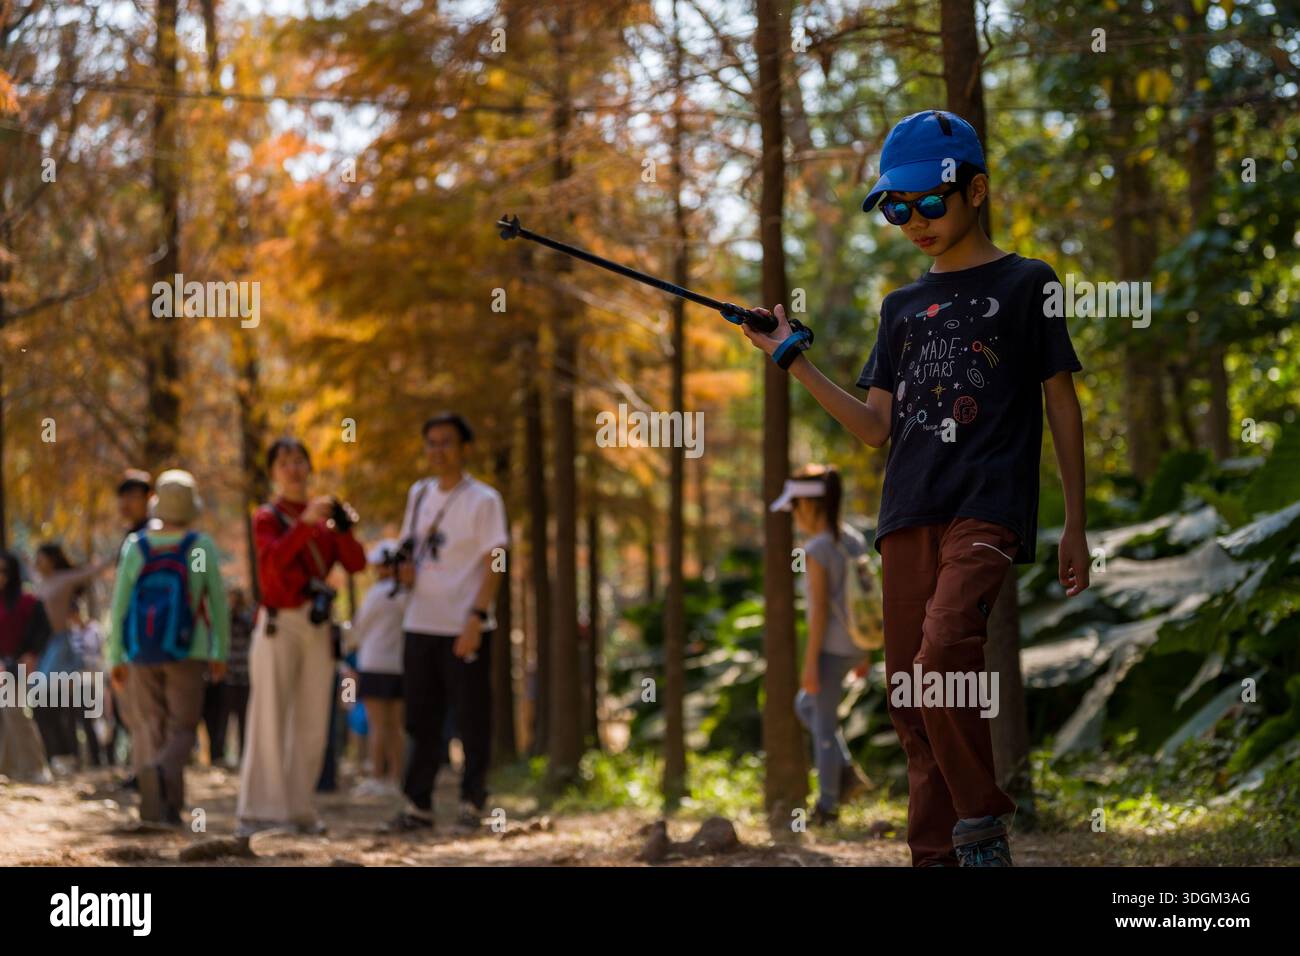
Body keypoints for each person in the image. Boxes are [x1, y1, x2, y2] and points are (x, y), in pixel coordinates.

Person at [741, 110, 1090, 867]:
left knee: (941, 660)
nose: (914, 222)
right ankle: (936, 854)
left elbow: (1061, 400)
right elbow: (874, 428)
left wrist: (1075, 523)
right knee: (910, 700)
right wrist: (793, 361)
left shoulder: (1030, 283)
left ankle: (982, 826)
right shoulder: (899, 307)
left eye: (930, 202)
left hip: (986, 509)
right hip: (905, 514)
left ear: (977, 191)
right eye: (897, 208)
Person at [236, 437, 366, 837]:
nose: (293, 470)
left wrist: (342, 528)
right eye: (284, 463)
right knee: (270, 715)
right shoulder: (266, 517)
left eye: (299, 462)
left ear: (309, 468)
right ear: (274, 472)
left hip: (317, 625)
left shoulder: (324, 521)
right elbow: (271, 568)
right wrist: (304, 524)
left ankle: (299, 808)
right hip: (278, 623)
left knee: (312, 721)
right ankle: (261, 810)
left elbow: (356, 562)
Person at [387, 413, 508, 832]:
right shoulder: (418, 494)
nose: (438, 450)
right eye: (431, 443)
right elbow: (409, 547)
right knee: (421, 717)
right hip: (420, 621)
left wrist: (477, 616)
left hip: (465, 624)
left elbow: (497, 559)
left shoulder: (484, 500)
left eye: (446, 442)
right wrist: (401, 572)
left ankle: (473, 801)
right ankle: (417, 804)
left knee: (471, 717)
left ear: (464, 448)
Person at [107, 469, 229, 825]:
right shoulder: (199, 547)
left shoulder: (136, 546)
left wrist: (116, 655)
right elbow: (217, 604)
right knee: (182, 728)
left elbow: (119, 605)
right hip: (188, 650)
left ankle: (162, 805)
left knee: (151, 725)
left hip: (142, 650)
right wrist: (219, 653)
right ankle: (164, 781)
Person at [771, 465, 873, 826]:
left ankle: (827, 807)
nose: (794, 515)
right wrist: (867, 650)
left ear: (811, 506)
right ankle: (845, 774)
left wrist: (810, 663)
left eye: (796, 507)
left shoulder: (816, 550)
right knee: (808, 709)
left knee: (824, 727)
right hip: (855, 644)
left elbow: (818, 615)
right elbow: (866, 598)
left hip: (830, 650)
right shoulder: (853, 539)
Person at [32, 543, 109, 771]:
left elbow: (91, 572)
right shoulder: (40, 582)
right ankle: (59, 755)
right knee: (44, 701)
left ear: (52, 559)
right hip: (44, 647)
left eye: (41, 558)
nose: (37, 562)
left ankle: (66, 755)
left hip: (61, 646)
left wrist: (115, 554)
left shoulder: (64, 579)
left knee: (50, 699)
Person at [349, 540, 409, 798]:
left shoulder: (376, 595)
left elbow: (358, 628)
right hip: (399, 664)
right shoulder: (408, 594)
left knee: (377, 725)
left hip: (374, 663)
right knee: (396, 725)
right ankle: (397, 776)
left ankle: (377, 777)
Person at [110, 469, 153, 772]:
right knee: (136, 711)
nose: (127, 503)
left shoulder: (145, 537)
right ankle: (141, 771)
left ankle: (149, 773)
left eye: (134, 496)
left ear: (150, 498)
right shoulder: (133, 536)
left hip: (146, 633)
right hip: (137, 634)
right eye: (123, 497)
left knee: (145, 711)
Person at [0, 550, 53, 783]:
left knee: (16, 714)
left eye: (3, 571)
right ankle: (10, 769)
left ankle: (35, 767)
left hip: (18, 666)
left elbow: (44, 631)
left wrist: (31, 654)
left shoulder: (28, 602)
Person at [202, 586, 253, 767]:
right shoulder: (224, 620)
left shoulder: (247, 621)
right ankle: (218, 756)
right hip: (229, 678)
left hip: (243, 678)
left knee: (243, 721)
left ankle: (244, 756)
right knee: (223, 720)